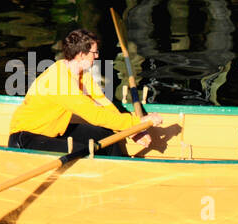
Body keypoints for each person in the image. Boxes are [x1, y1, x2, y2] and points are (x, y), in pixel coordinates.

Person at [8, 29, 161, 156]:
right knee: (84, 152)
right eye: (94, 52)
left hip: (54, 130)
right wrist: (137, 122)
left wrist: (130, 130)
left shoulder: (81, 74)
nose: (97, 56)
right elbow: (94, 115)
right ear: (81, 54)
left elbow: (104, 103)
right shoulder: (60, 82)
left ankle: (120, 174)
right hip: (27, 137)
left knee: (108, 137)